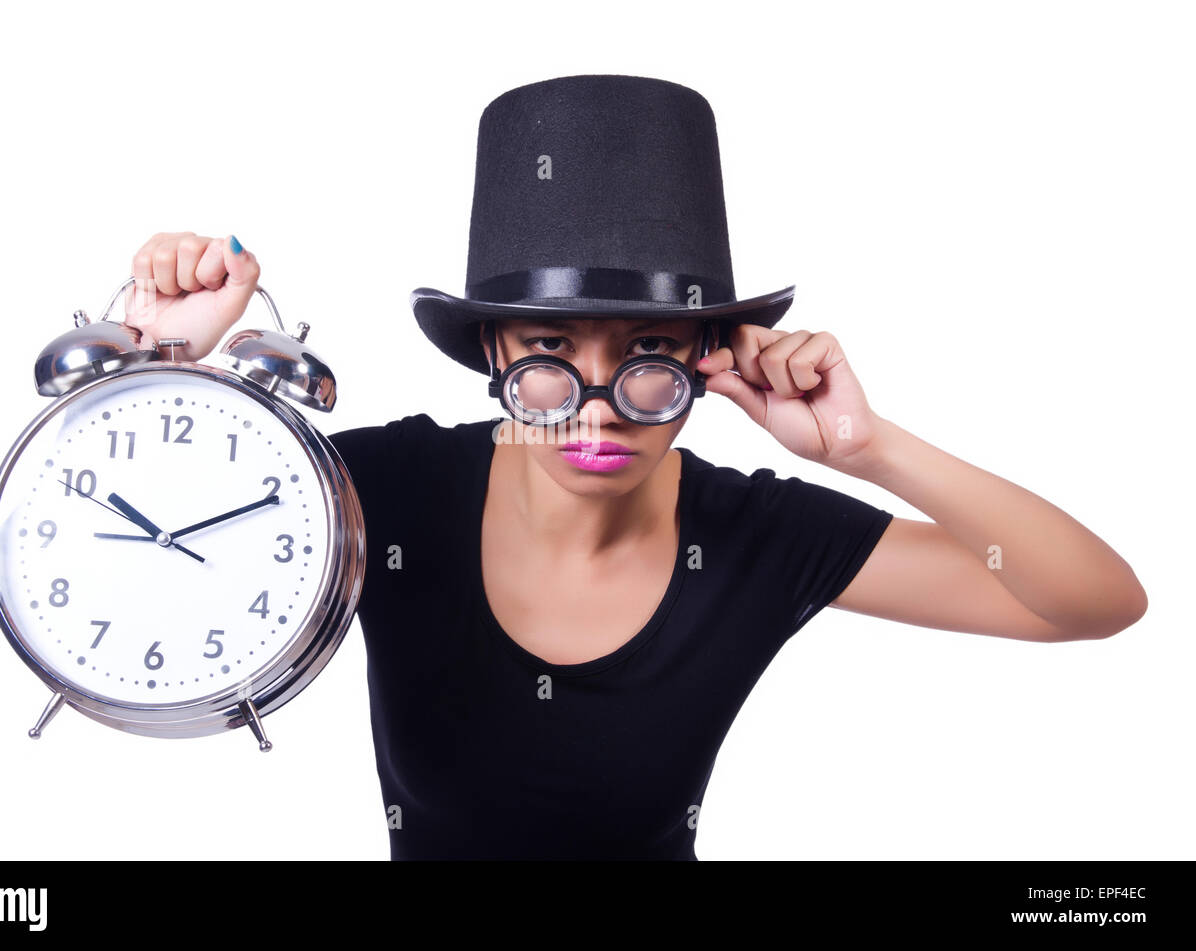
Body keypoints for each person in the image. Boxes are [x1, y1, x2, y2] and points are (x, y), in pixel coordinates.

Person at [120, 76, 1148, 860]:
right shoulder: (382, 490)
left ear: (706, 356)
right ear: (491, 353)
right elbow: (140, 563)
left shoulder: (753, 538)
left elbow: (1093, 601)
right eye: (549, 355)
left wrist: (867, 448)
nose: (599, 409)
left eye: (647, 354)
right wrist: (163, 368)